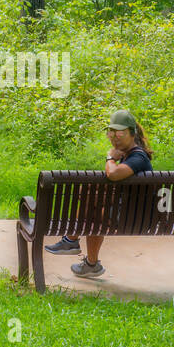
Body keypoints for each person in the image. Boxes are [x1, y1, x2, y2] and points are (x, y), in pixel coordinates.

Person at [44, 109, 153, 277]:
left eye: (120, 133)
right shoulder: (130, 156)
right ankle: (87, 260)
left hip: (134, 219)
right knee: (90, 196)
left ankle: (73, 243)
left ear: (132, 133)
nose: (114, 137)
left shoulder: (138, 158)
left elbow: (114, 174)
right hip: (130, 215)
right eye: (112, 132)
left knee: (92, 210)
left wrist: (110, 158)